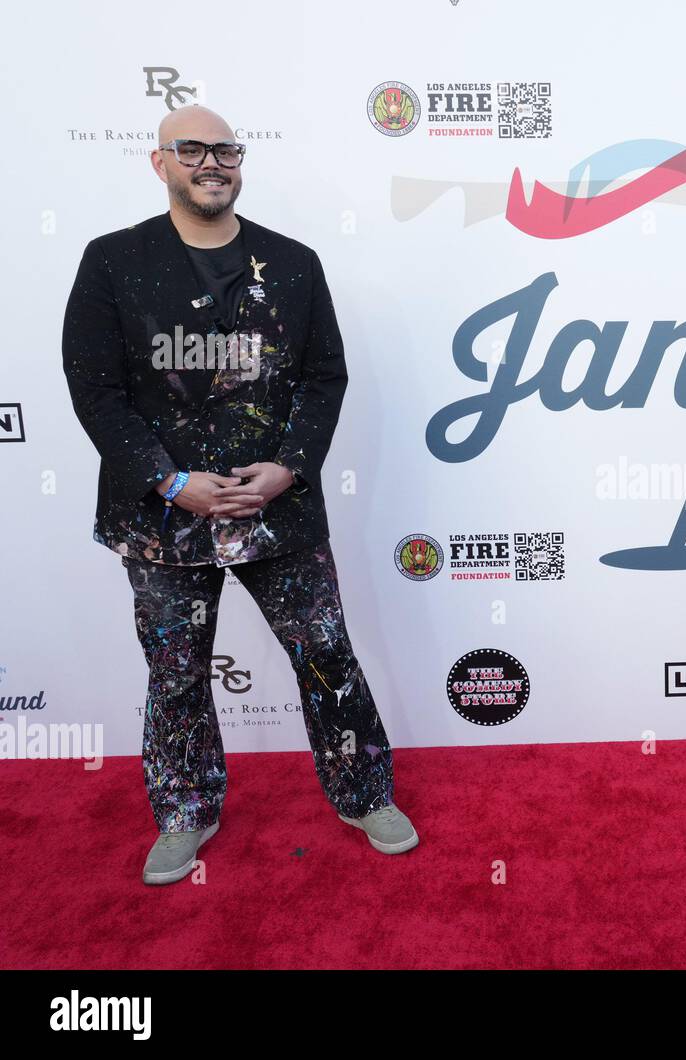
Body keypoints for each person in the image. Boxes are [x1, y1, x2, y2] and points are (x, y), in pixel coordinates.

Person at [62, 105, 418, 886]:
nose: (211, 162)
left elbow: (326, 375)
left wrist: (290, 466)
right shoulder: (113, 263)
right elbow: (96, 390)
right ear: (160, 164)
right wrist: (170, 480)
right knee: (177, 671)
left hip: (277, 510)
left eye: (224, 149)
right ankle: (185, 812)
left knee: (325, 655)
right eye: (191, 149)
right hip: (161, 517)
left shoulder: (293, 263)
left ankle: (366, 793)